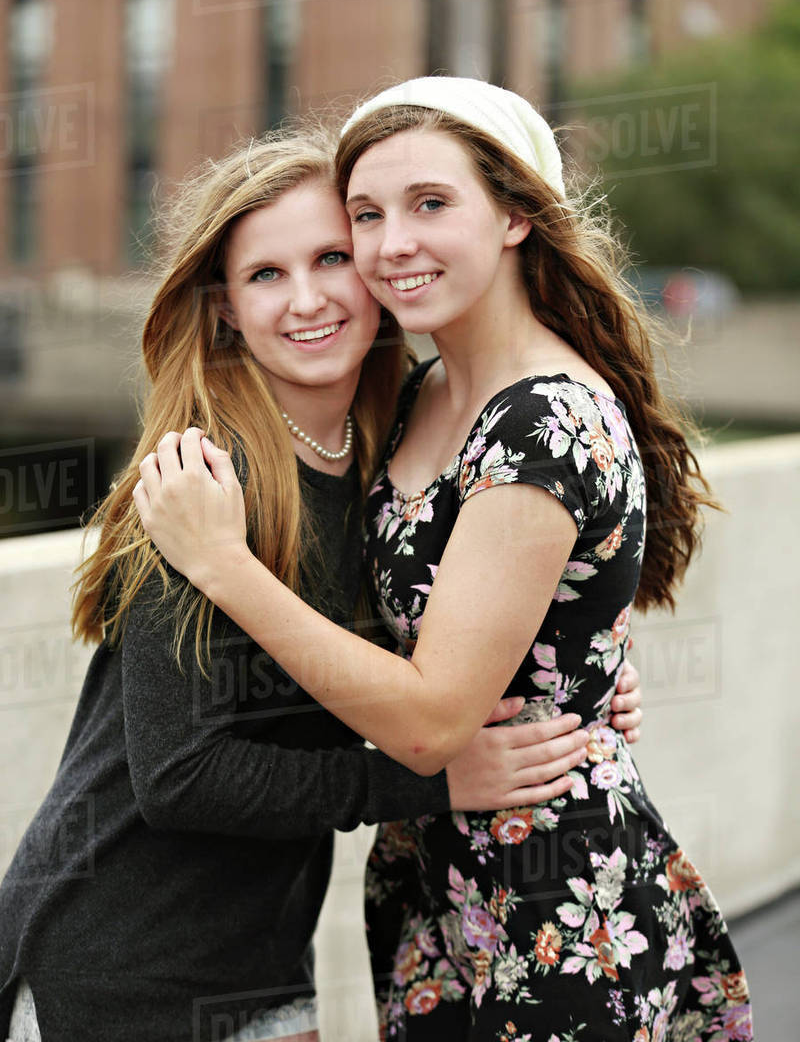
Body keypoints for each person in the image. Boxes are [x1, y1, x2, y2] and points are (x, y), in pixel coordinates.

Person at [134, 77, 752, 1041]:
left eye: (431, 205)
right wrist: (582, 663)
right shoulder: (421, 394)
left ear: (514, 215)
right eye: (368, 215)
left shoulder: (543, 421)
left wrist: (225, 564)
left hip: (551, 890)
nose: (392, 245)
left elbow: (427, 724)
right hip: (434, 875)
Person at [0, 128, 642, 1042]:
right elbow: (181, 777)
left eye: (332, 257)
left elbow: (463, 586)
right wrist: (426, 784)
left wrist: (573, 662)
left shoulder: (395, 443)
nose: (307, 300)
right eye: (265, 274)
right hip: (117, 961)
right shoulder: (203, 485)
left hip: (262, 951)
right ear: (223, 307)